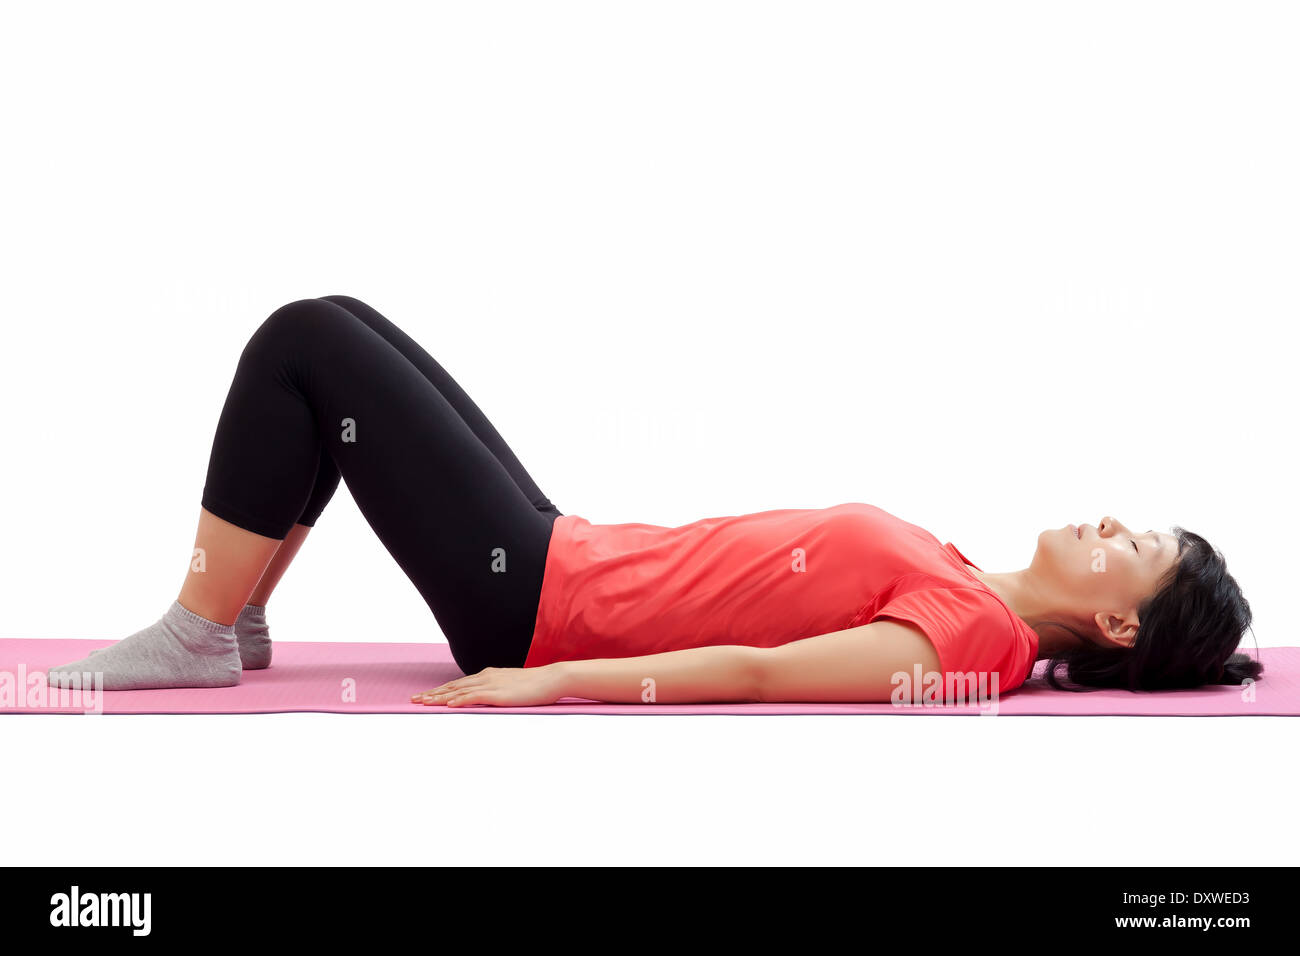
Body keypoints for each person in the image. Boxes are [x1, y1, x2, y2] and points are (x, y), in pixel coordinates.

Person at [46, 296, 1261, 706]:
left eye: (1133, 543)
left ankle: (199, 631)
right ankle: (242, 611)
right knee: (343, 332)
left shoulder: (970, 639)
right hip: (564, 549)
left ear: (1116, 623)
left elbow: (761, 674)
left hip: (535, 607)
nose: (1109, 519)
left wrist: (546, 680)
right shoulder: (964, 581)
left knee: (304, 341)